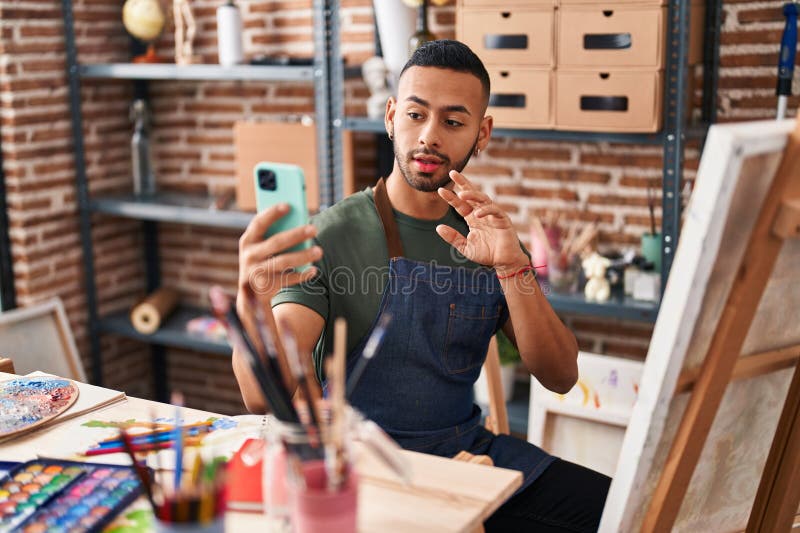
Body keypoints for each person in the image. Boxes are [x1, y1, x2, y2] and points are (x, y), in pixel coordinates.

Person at [235, 40, 611, 532]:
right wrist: (253, 303)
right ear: (391, 116)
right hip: (363, 467)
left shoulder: (488, 234)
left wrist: (513, 266)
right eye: (416, 114)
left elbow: (560, 375)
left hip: (466, 456)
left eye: (454, 122)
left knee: (622, 508)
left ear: (482, 133)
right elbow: (263, 398)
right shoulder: (331, 234)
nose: (429, 136)